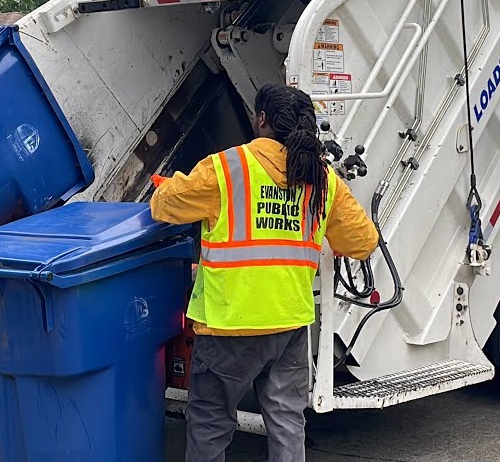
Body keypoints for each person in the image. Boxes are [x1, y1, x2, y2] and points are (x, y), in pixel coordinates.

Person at [151, 83, 379, 462]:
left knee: (210, 423)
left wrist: (169, 187)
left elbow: (164, 207)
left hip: (229, 326)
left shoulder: (227, 168)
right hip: (289, 326)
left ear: (261, 119)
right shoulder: (323, 179)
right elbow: (363, 241)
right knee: (287, 421)